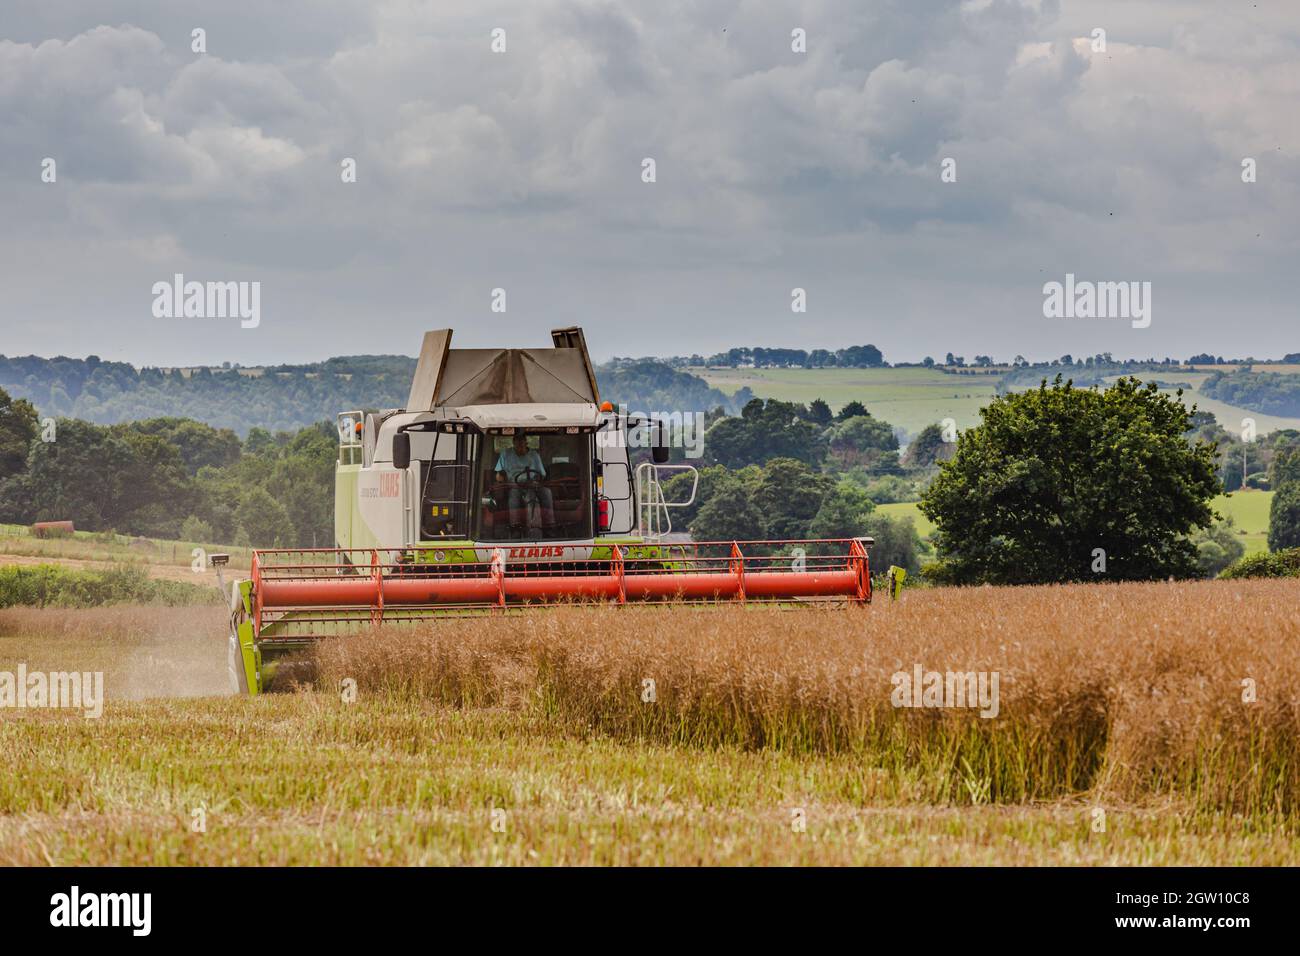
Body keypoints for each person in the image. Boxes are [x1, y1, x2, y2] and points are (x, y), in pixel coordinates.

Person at [494, 433, 555, 534]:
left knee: (547, 492)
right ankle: (515, 526)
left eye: (522, 445)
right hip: (514, 485)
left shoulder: (534, 455)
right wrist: (502, 481)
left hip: (533, 484)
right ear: (513, 444)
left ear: (526, 443)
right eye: (517, 445)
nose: (520, 448)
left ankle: (549, 525)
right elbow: (498, 474)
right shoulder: (506, 454)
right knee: (513, 497)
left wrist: (537, 481)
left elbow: (542, 474)